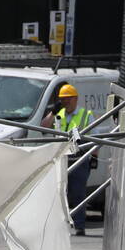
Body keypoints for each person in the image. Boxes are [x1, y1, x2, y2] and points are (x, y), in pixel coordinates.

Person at [42, 83, 95, 234]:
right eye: (63, 99)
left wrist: (94, 157)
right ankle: (59, 226)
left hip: (79, 159)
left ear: (76, 99)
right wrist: (53, 112)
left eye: (68, 99)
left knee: (78, 193)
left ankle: (79, 226)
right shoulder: (59, 114)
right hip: (61, 159)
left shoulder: (86, 114)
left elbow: (95, 137)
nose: (66, 102)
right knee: (58, 193)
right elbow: (44, 127)